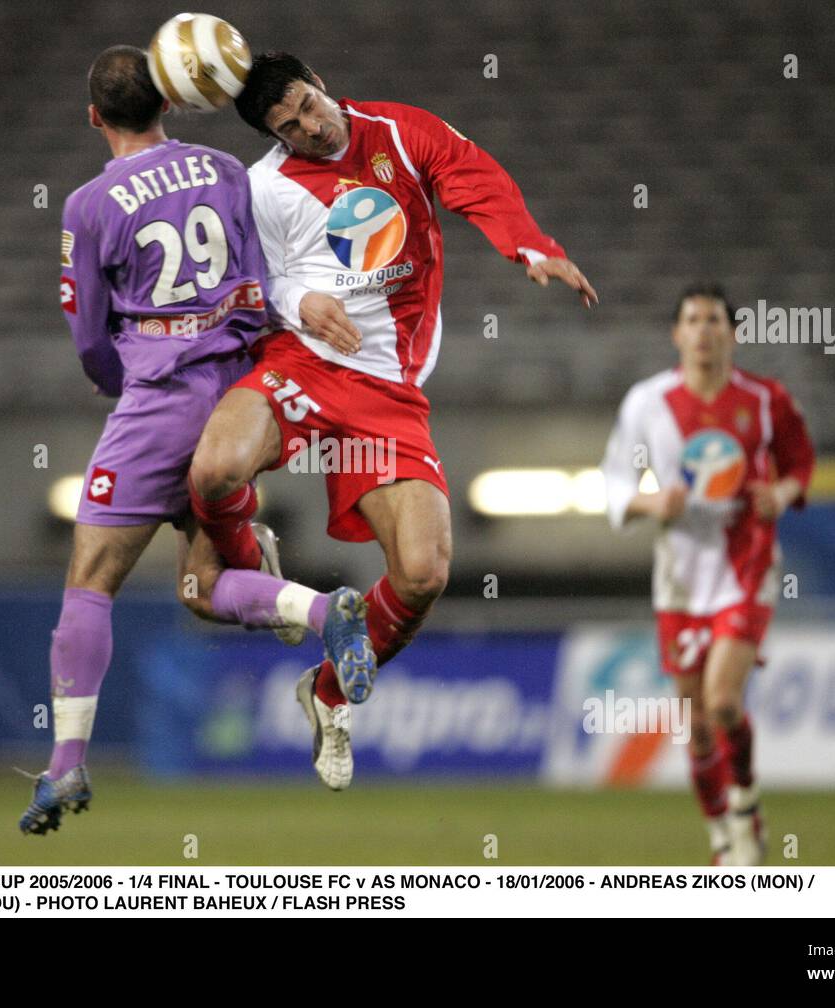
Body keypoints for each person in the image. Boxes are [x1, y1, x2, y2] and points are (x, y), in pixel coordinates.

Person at [186, 52, 598, 790]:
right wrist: (297, 303)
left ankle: (327, 696)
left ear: (318, 80)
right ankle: (253, 563)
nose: (311, 128)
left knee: (423, 573)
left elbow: (477, 180)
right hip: (303, 362)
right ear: (274, 137)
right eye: (290, 126)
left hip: (386, 391)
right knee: (215, 470)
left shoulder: (401, 135)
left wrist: (530, 246)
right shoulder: (266, 188)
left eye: (310, 105)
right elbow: (250, 277)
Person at [19, 47, 376, 833]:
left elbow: (88, 343)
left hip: (160, 402)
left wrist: (127, 379)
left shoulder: (88, 203)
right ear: (170, 105)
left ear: (94, 118)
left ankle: (65, 768)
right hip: (241, 402)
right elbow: (259, 277)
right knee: (200, 590)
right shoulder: (222, 168)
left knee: (89, 583)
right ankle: (324, 612)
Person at [601, 284, 815, 865]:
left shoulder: (766, 400)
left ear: (734, 333)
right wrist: (652, 504)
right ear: (677, 334)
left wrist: (781, 492)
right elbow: (614, 481)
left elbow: (800, 461)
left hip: (746, 565)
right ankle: (722, 832)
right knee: (695, 724)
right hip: (680, 579)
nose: (703, 330)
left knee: (722, 701)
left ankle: (745, 798)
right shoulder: (648, 402)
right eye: (692, 320)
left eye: (714, 320)